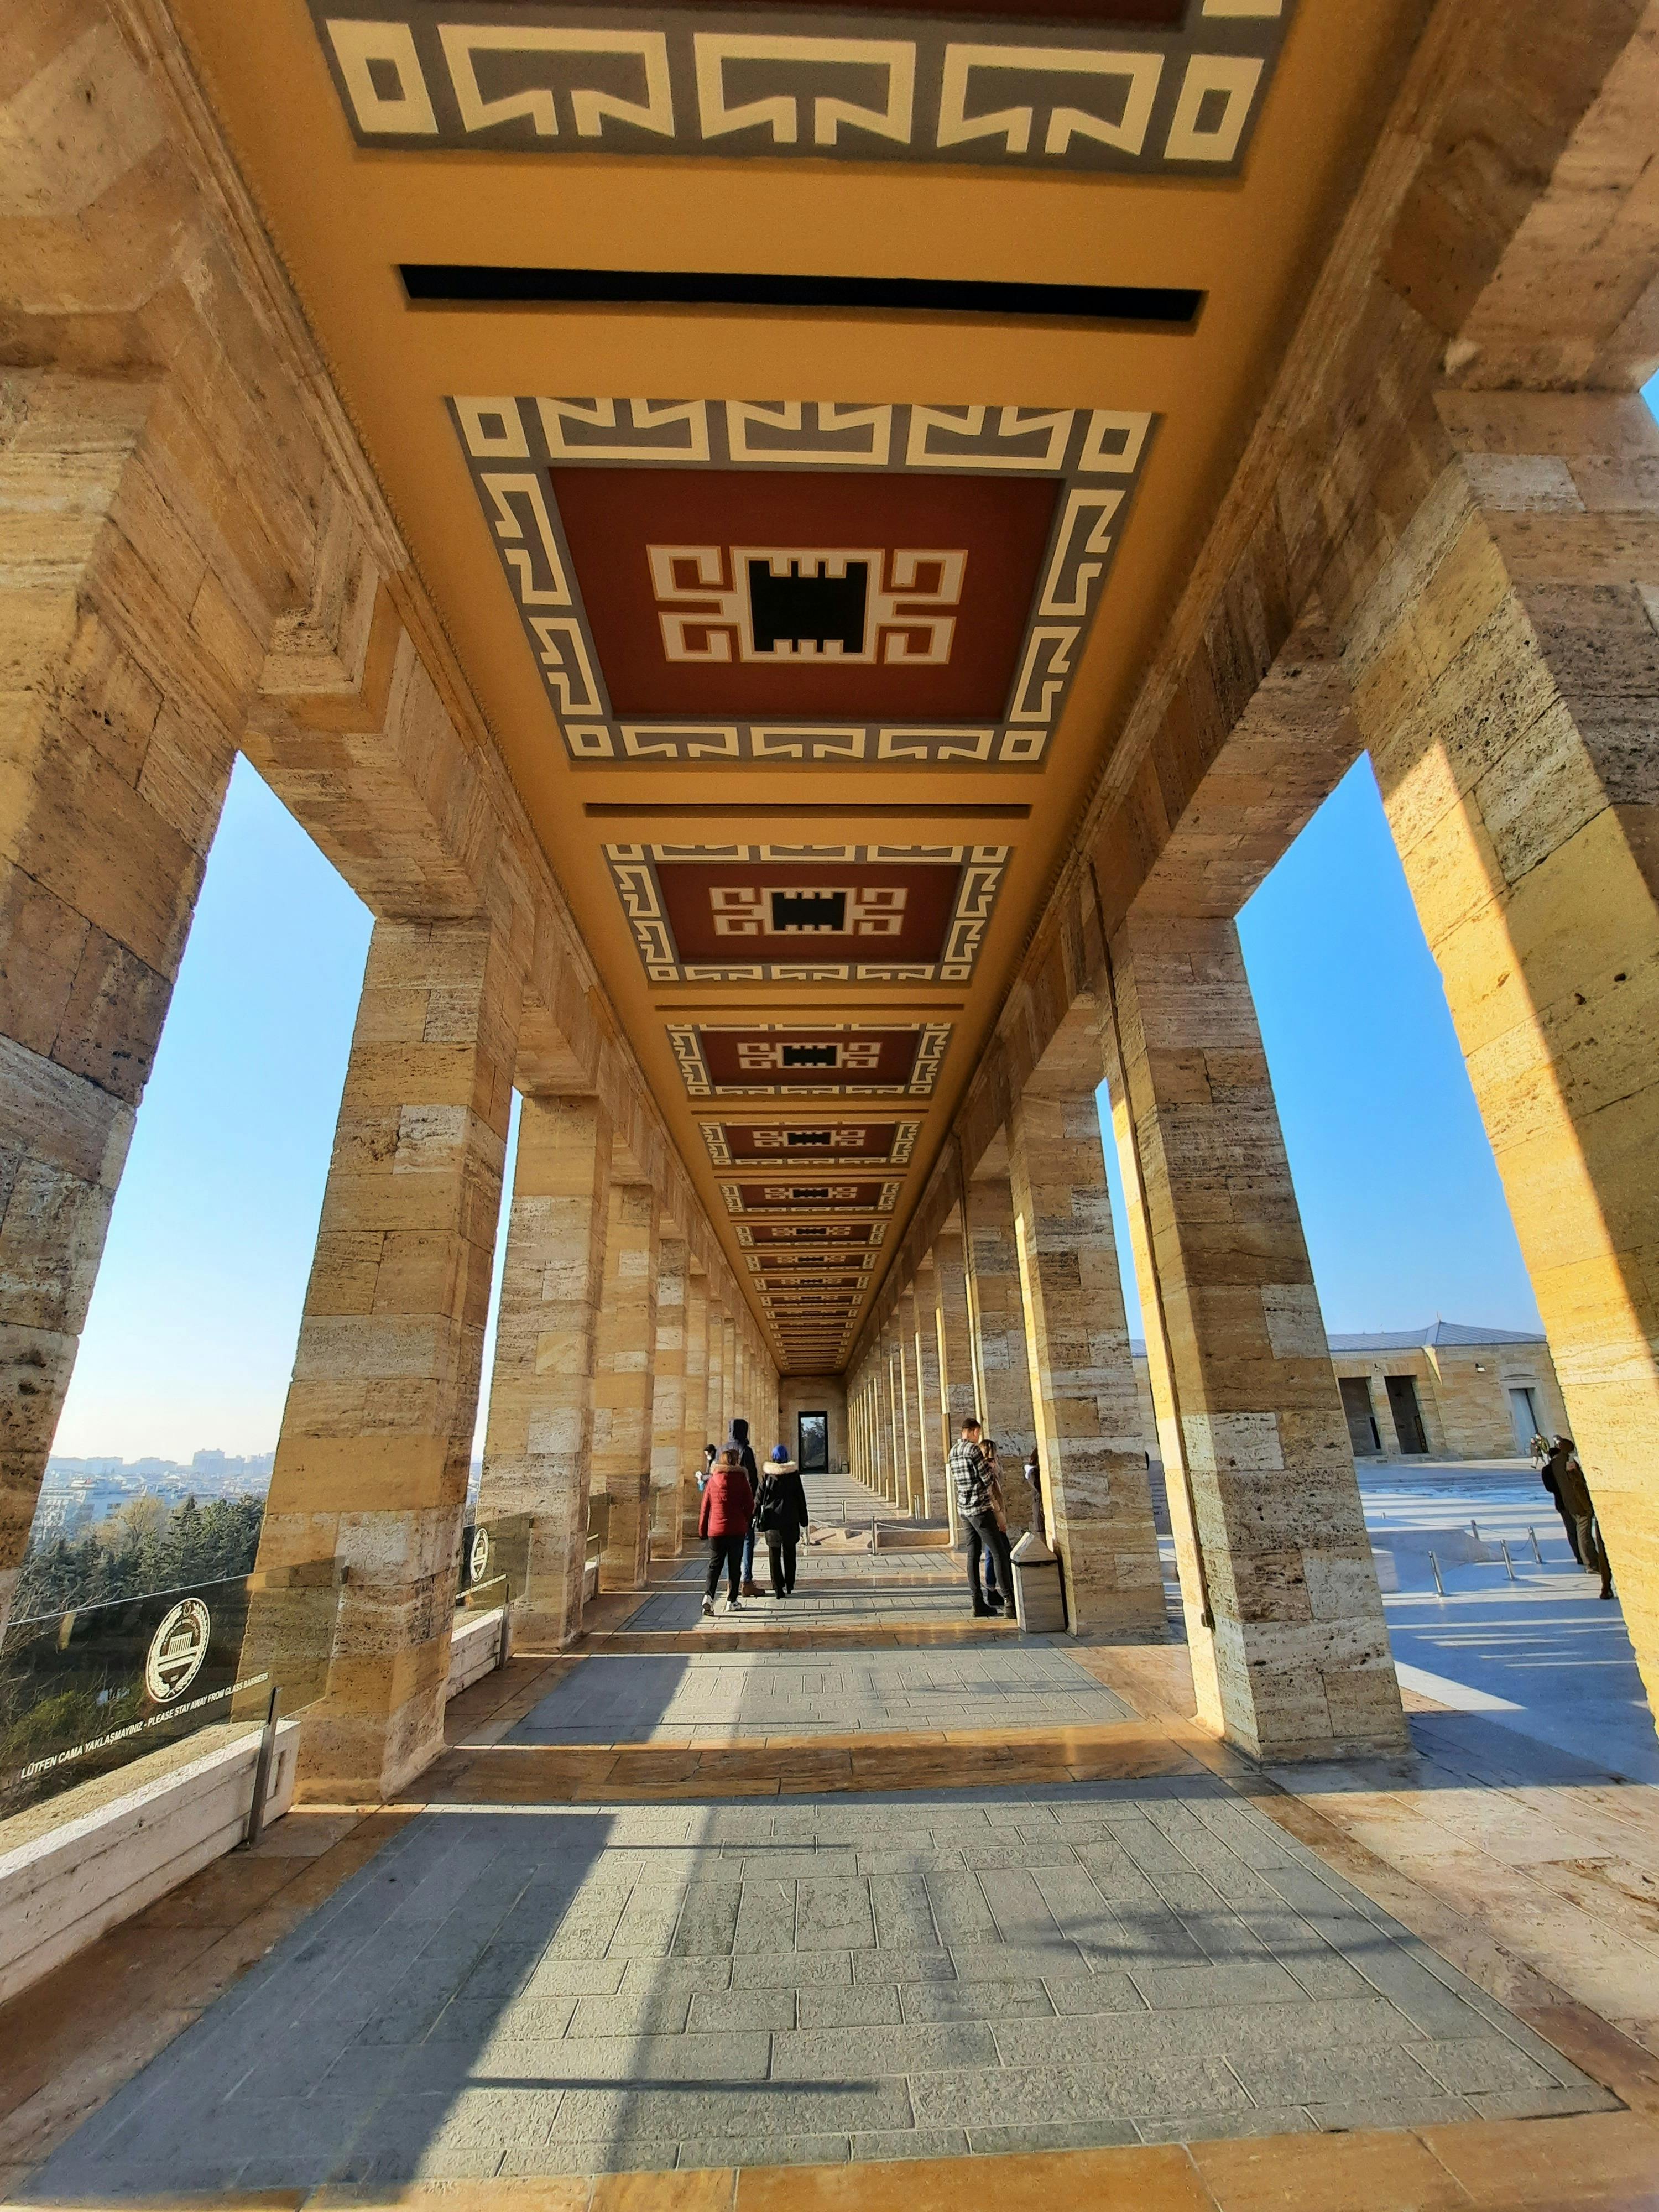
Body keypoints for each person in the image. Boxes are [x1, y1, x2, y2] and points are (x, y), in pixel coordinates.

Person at [947, 1415, 1015, 1620]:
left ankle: (977, 1601)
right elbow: (987, 1479)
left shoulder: (953, 1451)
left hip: (964, 1510)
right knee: (999, 1552)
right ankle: (1009, 1601)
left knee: (973, 1555)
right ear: (974, 1431)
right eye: (978, 1433)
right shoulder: (973, 1450)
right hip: (980, 1508)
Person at [1543, 1436, 1613, 1598]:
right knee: (1584, 1534)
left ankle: (1585, 1560)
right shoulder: (1566, 1462)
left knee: (1576, 1533)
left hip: (1568, 1505)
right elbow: (1576, 1484)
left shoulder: (1555, 1464)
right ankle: (1590, 1562)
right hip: (1577, 1504)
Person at [699, 1444, 753, 1615]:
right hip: (736, 1529)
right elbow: (750, 1505)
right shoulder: (741, 1479)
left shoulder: (713, 1480)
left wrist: (702, 1530)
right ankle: (732, 1601)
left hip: (716, 1530)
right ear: (736, 1462)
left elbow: (705, 1506)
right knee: (734, 1565)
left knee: (714, 1565)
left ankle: (708, 1597)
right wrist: (747, 1521)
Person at [755, 1443, 810, 1597]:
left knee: (774, 1554)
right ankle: (790, 1584)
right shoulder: (793, 1475)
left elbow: (759, 1497)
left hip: (772, 1519)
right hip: (790, 1519)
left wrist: (752, 1514)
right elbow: (800, 1498)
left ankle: (778, 1587)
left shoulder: (767, 1475)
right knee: (790, 1552)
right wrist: (804, 1520)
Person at [726, 1417, 761, 1594]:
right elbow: (752, 1479)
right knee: (747, 1540)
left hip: (726, 1504)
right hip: (742, 1504)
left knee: (730, 1543)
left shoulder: (723, 1451)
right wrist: (755, 1503)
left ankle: (731, 1582)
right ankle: (746, 1581)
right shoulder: (745, 1451)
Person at [1536, 1434, 1583, 1563]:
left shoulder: (1546, 1470)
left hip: (1561, 1504)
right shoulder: (1564, 1466)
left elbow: (1550, 1488)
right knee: (1580, 1530)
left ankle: (1579, 1556)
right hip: (1571, 1502)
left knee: (1572, 1531)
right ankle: (1584, 1556)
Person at [980, 1438, 1009, 1610]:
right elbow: (991, 1498)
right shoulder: (984, 1473)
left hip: (996, 1515)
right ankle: (1005, 1592)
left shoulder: (993, 1471)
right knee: (1002, 1553)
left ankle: (992, 1589)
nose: (993, 1463)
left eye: (994, 1459)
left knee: (992, 1553)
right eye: (990, 1459)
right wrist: (1001, 1521)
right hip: (993, 1516)